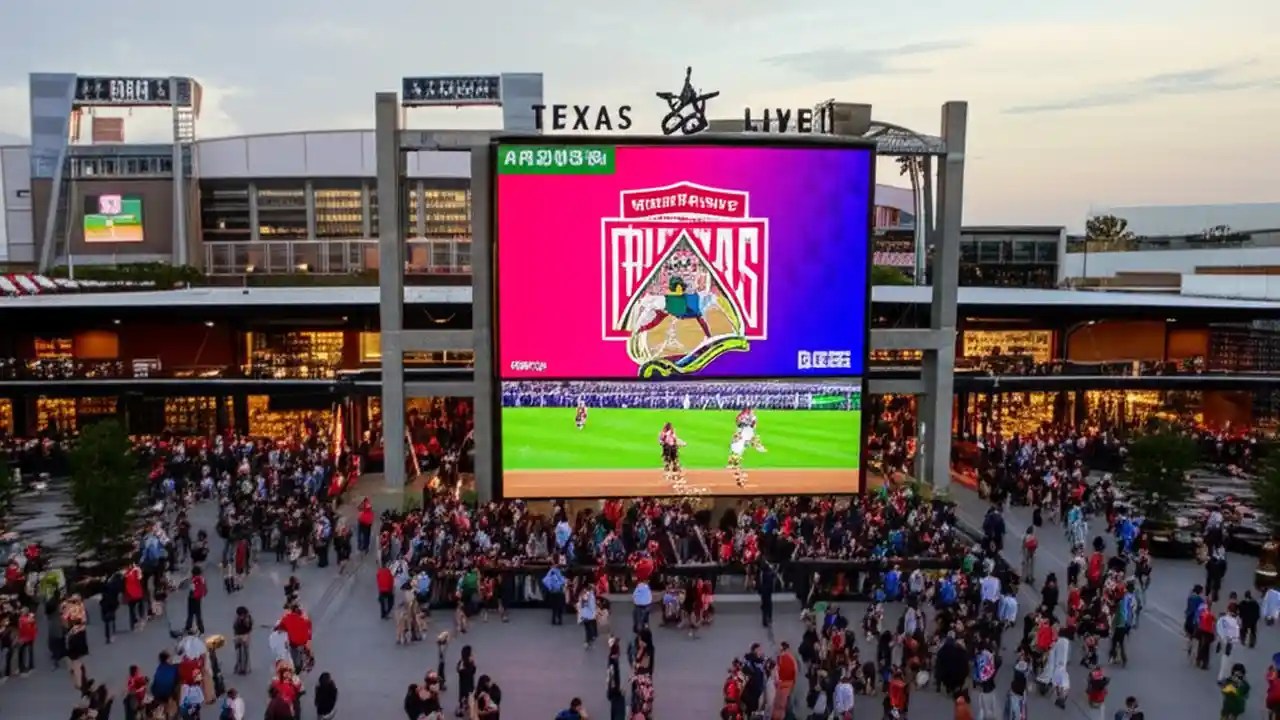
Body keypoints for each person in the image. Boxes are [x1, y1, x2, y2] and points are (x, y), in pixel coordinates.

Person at [607, 637, 626, 720]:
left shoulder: (612, 661)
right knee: (618, 710)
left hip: (613, 691)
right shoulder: (613, 663)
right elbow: (613, 679)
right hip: (614, 692)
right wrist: (618, 691)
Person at [456, 645, 477, 718]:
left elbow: (473, 671)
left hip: (468, 684)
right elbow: (461, 671)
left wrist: (473, 663)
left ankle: (465, 708)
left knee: (468, 698)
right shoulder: (462, 663)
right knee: (466, 697)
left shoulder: (470, 662)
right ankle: (464, 709)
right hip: (465, 685)